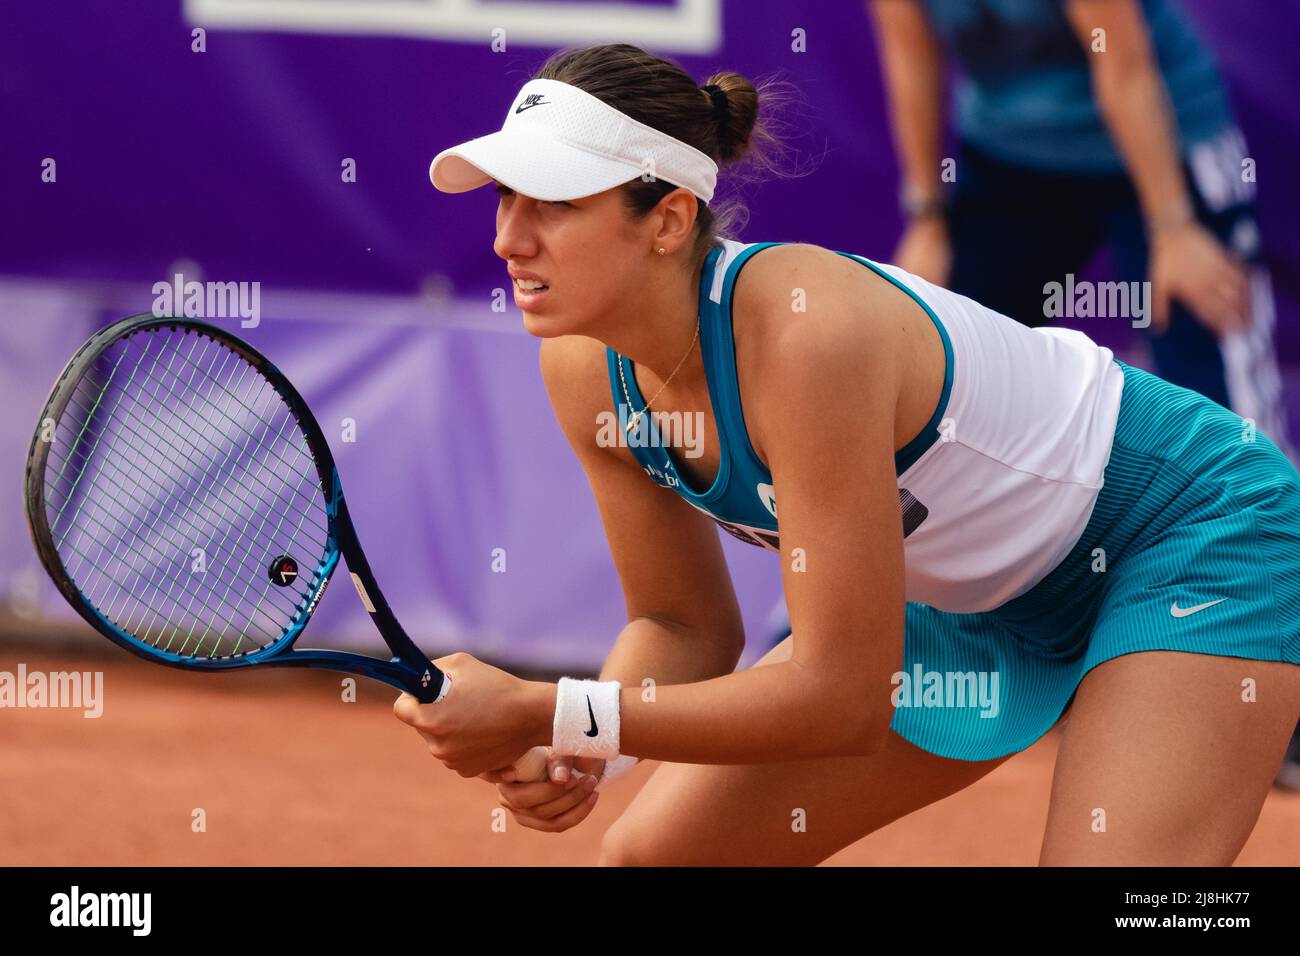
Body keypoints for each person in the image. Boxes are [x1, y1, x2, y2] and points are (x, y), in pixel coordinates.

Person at [393, 43, 1300, 865]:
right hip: (958, 600)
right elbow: (683, 627)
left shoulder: (806, 334)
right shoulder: (583, 371)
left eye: (552, 203)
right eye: (507, 198)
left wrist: (552, 709)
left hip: (1183, 530)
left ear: (669, 221)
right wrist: (583, 743)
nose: (509, 237)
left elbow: (840, 699)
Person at [869, 0, 1300, 792]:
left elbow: (1123, 62)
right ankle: (895, 657)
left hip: (1156, 146)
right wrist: (927, 214)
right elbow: (912, 55)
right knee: (934, 384)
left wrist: (1174, 229)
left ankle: (1283, 681)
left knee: (1236, 426)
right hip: (1009, 160)